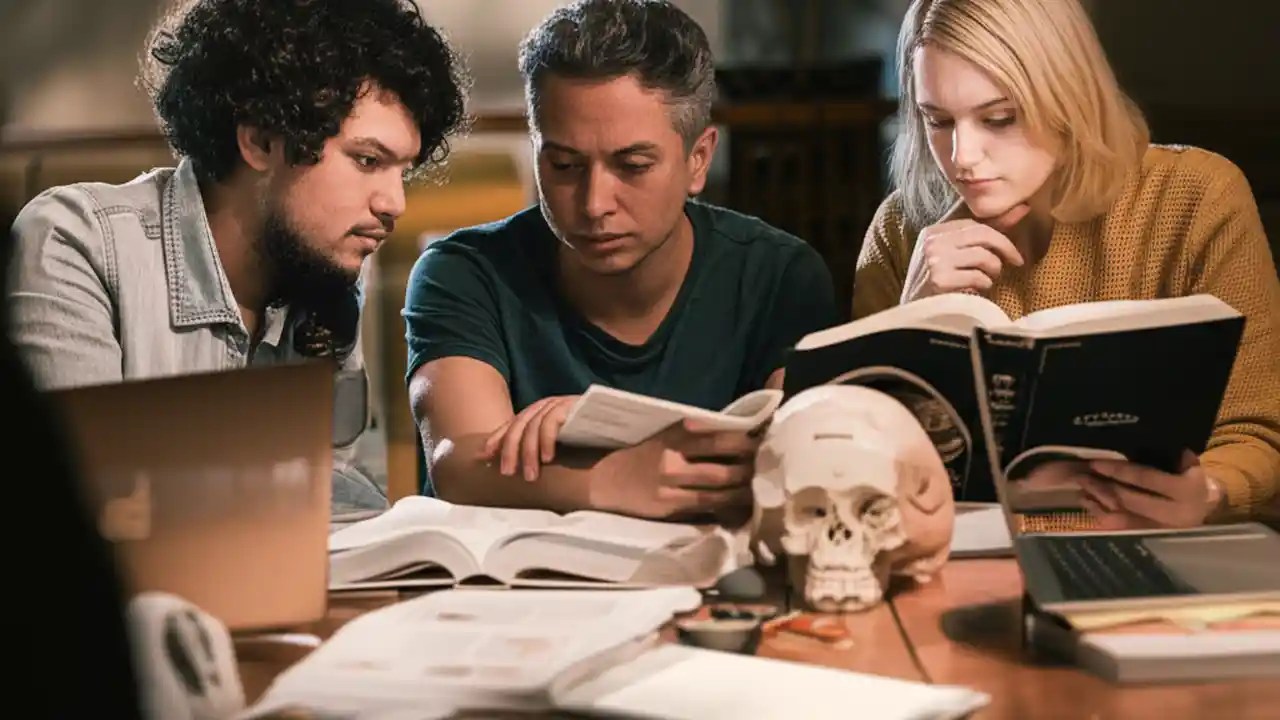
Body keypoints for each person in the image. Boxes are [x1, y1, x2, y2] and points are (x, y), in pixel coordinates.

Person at [6, 0, 469, 514]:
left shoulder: (324, 276)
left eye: (403, 171)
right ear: (260, 141)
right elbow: (78, 510)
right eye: (367, 160)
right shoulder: (77, 243)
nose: (395, 204)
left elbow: (339, 496)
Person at [404, 0, 839, 522]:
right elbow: (460, 465)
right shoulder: (463, 273)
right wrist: (616, 476)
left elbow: (798, 460)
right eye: (564, 165)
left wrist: (604, 428)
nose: (594, 204)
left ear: (698, 160)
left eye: (632, 166)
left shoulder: (780, 276)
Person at [852, 0, 1280, 529]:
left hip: (1144, 545)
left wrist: (1210, 492)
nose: (962, 156)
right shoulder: (902, 229)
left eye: (999, 118)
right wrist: (909, 326)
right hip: (953, 551)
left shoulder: (1196, 198)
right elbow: (857, 460)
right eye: (937, 120)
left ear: (1067, 97)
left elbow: (1256, 433)